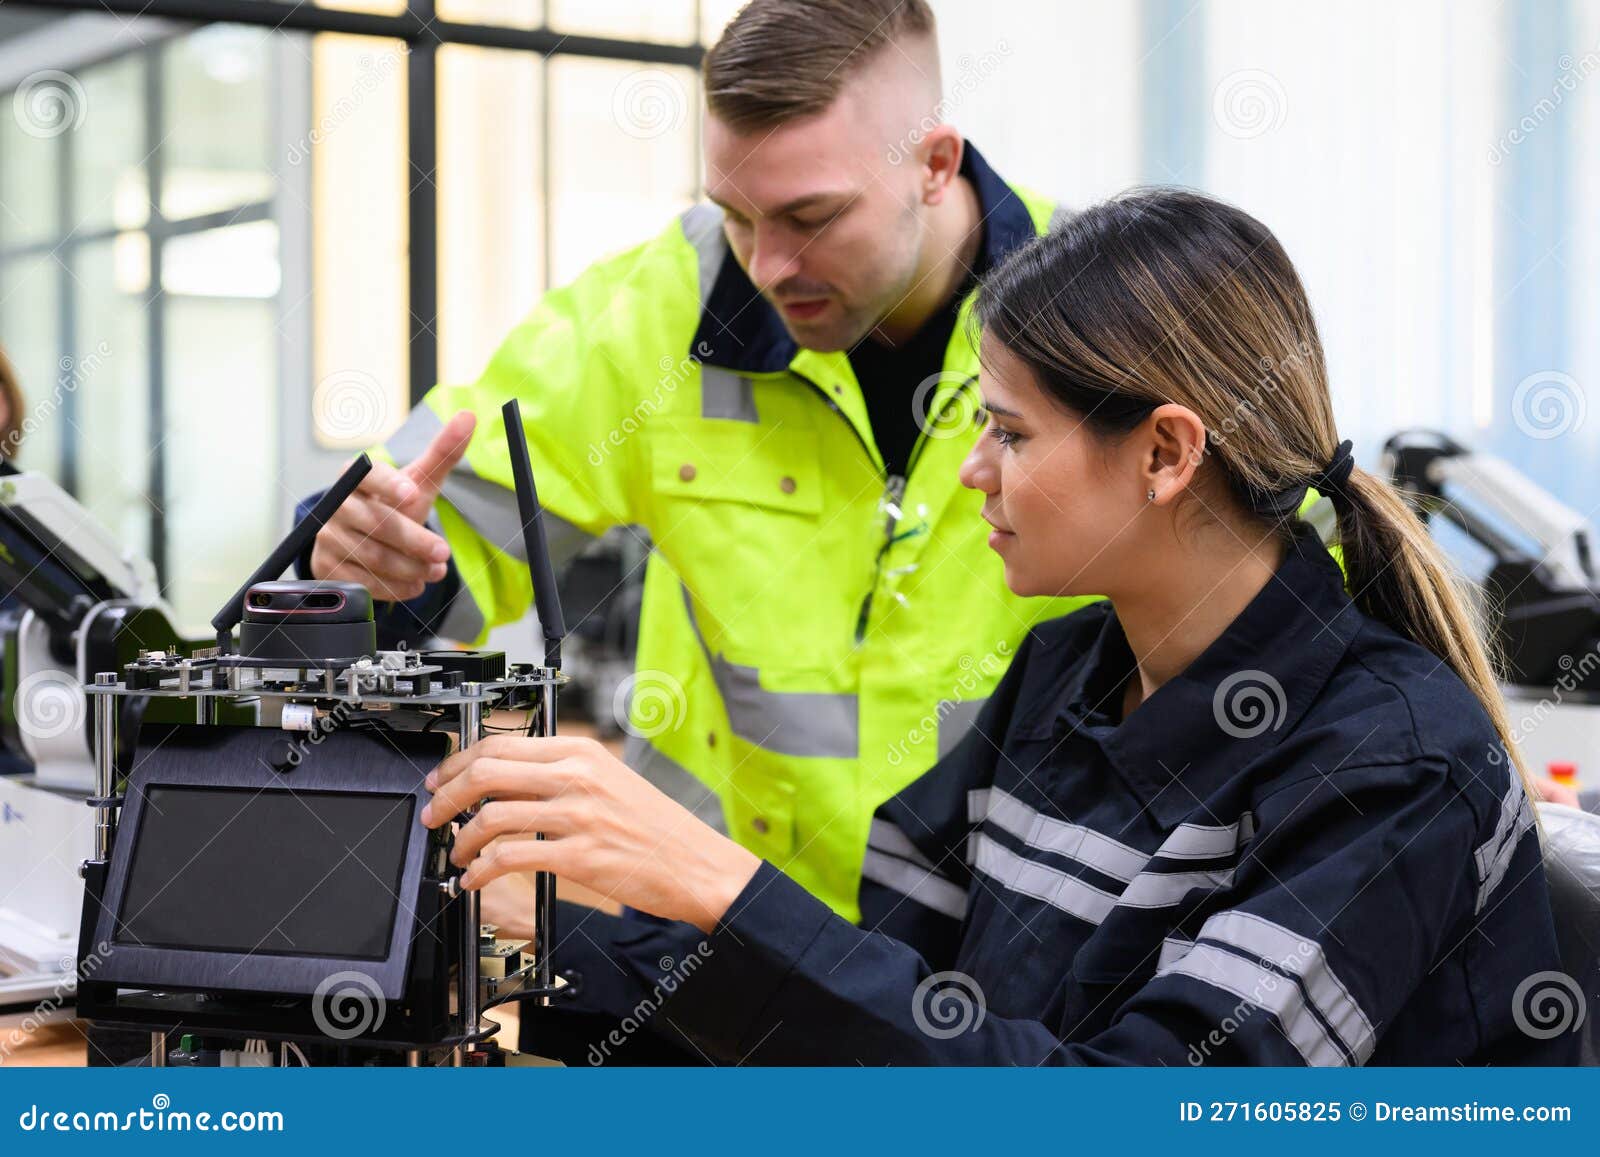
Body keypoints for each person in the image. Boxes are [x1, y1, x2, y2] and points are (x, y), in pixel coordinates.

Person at [423, 188, 1573, 1065]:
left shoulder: (1396, 768)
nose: (972, 471)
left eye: (1010, 434)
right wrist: (535, 947)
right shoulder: (1065, 670)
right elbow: (877, 1025)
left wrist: (723, 886)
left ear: (1166, 453)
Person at [299, 0, 1327, 920]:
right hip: (701, 951)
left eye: (810, 216)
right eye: (736, 214)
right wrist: (369, 556)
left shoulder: (1100, 316)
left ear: (933, 163)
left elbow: (1262, 605)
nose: (766, 264)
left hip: (1007, 958)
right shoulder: (655, 306)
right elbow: (440, 529)